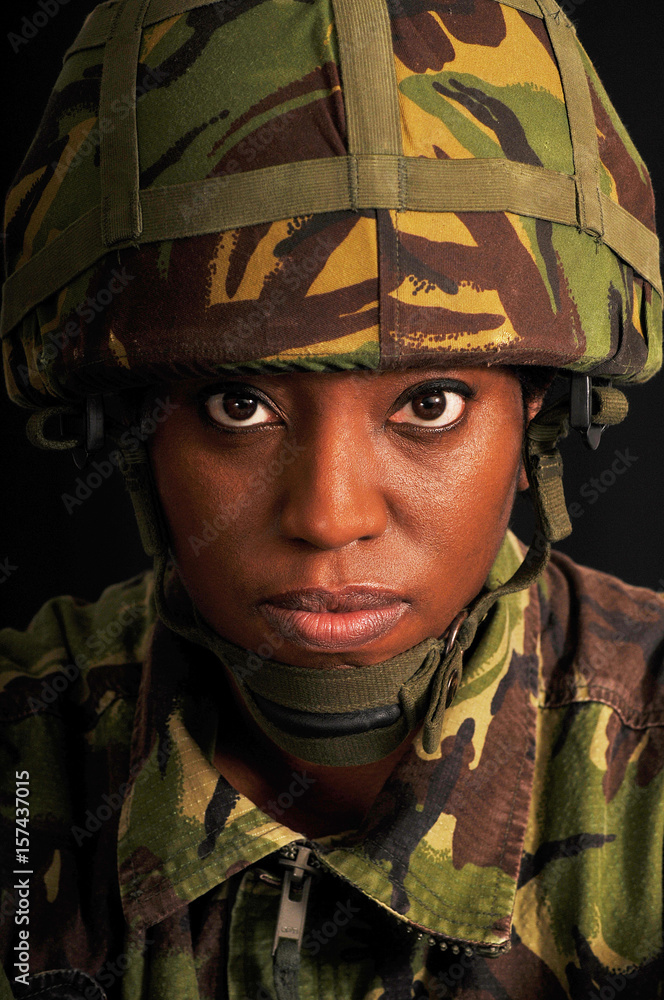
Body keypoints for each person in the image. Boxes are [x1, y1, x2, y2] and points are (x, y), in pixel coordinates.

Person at [1, 0, 662, 998]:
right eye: (238, 403)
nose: (329, 516)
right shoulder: (26, 751)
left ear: (539, 420)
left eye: (430, 404)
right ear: (131, 430)